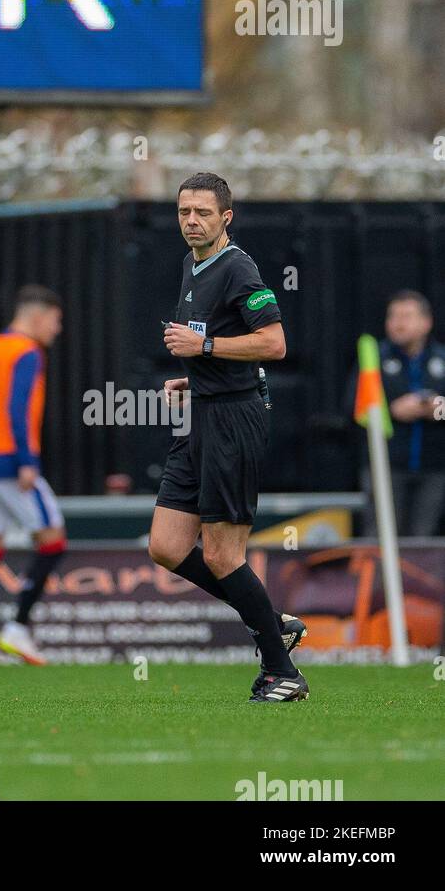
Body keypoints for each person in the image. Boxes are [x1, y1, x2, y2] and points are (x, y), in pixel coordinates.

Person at [147, 172, 308, 703]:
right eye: (184, 212)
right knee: (167, 547)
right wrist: (192, 374)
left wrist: (206, 349)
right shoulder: (192, 263)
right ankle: (269, 619)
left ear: (226, 218)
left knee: (222, 555)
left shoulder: (238, 266)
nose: (191, 220)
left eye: (203, 213)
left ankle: (282, 672)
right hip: (202, 410)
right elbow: (206, 348)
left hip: (234, 421)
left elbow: (274, 343)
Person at [0, 286, 66, 667]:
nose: (57, 330)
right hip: (10, 463)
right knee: (52, 539)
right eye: (56, 321)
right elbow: (18, 407)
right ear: (37, 317)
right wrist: (27, 459)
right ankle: (17, 628)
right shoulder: (26, 352)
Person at [353, 291, 445, 537]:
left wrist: (437, 409)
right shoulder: (374, 357)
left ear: (427, 322)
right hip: (385, 465)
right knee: (380, 535)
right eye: (392, 316)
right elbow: (352, 408)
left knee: (424, 541)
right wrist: (392, 410)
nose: (398, 323)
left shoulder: (441, 358)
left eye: (406, 316)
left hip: (433, 468)